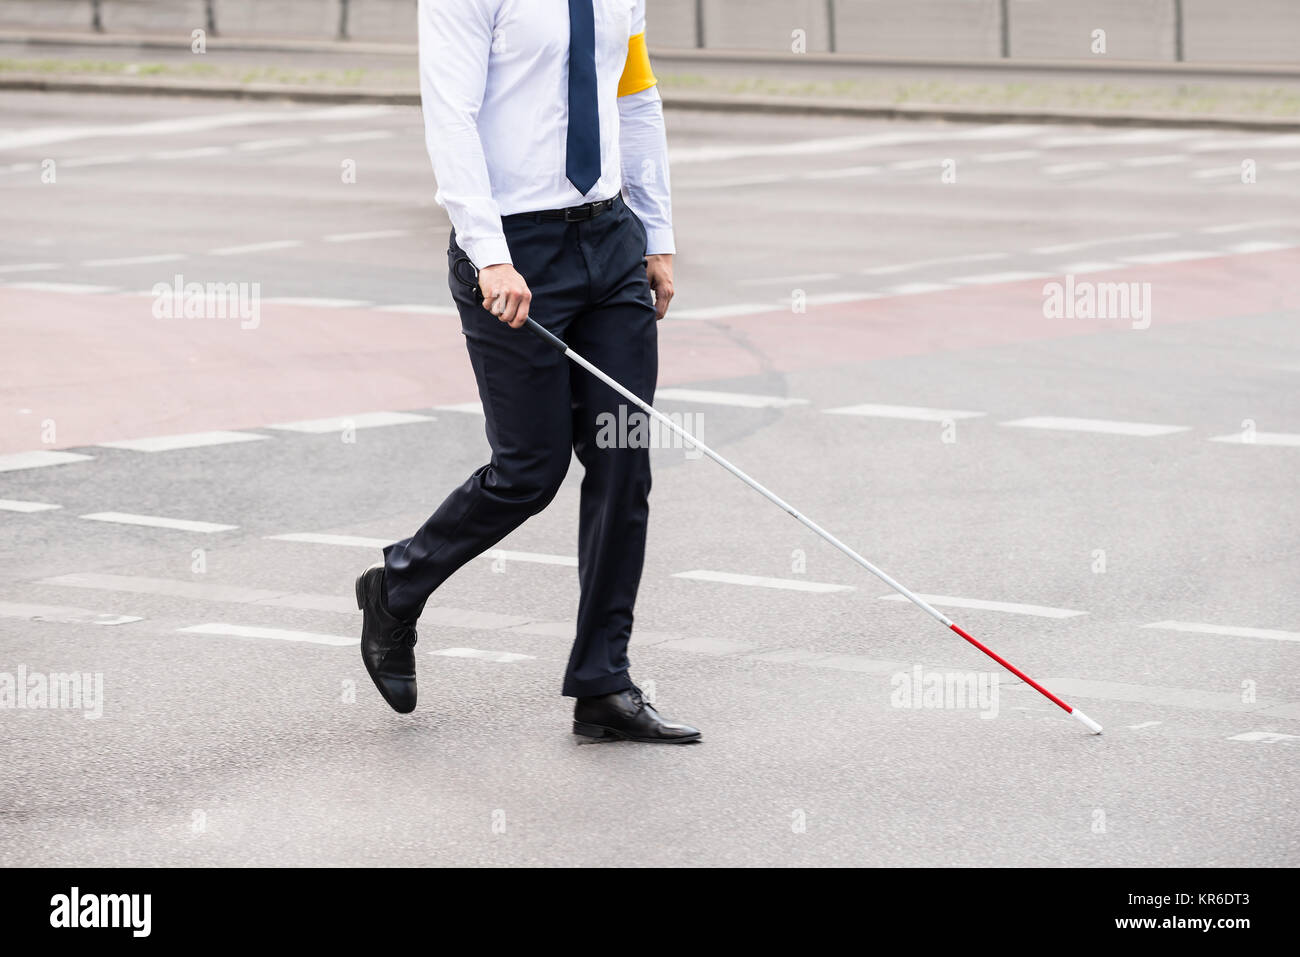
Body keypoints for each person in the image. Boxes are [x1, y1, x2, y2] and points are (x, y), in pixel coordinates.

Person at [355, 0, 700, 743]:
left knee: (621, 461)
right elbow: (450, 116)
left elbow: (635, 97)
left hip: (611, 245)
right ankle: (397, 586)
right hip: (515, 251)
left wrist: (658, 234)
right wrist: (489, 253)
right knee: (529, 470)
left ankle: (604, 682)